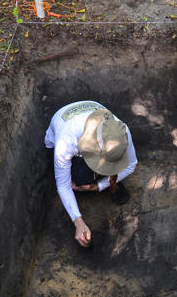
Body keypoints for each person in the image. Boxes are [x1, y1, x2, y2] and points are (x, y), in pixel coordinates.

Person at [44, 101, 137, 247]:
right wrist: (78, 222)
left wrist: (99, 186)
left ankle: (106, 179)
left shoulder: (121, 132)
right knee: (82, 178)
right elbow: (63, 186)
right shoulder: (66, 141)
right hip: (58, 146)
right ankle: (93, 179)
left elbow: (131, 165)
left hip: (89, 135)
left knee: (92, 179)